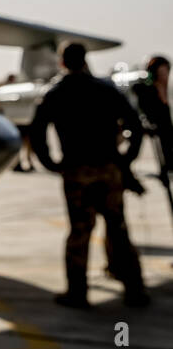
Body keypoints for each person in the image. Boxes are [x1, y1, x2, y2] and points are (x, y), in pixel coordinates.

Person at [28, 41, 149, 309]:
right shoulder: (105, 89)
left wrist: (51, 163)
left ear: (62, 62)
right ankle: (134, 289)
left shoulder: (56, 93)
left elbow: (37, 131)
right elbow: (134, 124)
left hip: (76, 170)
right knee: (118, 229)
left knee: (80, 232)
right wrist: (126, 159)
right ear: (85, 60)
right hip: (108, 169)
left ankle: (77, 293)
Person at [131, 55, 173, 175]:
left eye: (166, 72)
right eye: (161, 72)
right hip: (160, 129)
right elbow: (144, 110)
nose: (165, 75)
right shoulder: (147, 92)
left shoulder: (170, 89)